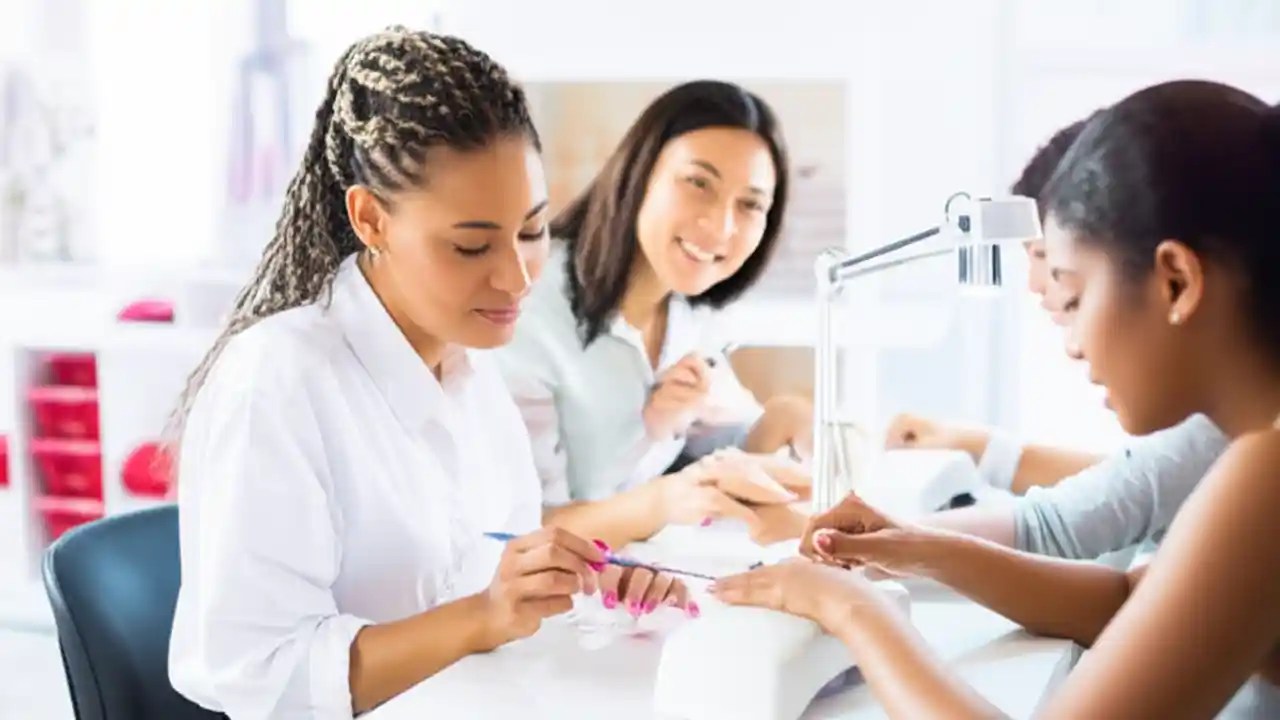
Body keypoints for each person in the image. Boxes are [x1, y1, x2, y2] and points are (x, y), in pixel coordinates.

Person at [166, 28, 691, 719]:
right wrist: (484, 615)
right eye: (471, 245)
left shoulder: (473, 375)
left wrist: (584, 592)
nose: (516, 276)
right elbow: (261, 674)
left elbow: (493, 588)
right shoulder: (278, 380)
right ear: (370, 218)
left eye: (531, 232)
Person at [714, 80, 1280, 718]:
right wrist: (915, 546)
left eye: (1072, 295)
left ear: (1176, 280)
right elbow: (1130, 601)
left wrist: (855, 612)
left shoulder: (1266, 477)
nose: (1070, 343)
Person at [885, 113, 1228, 560]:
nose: (1035, 282)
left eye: (1048, 257)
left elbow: (1085, 524)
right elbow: (1141, 486)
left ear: (1174, 278)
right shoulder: (1225, 433)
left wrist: (861, 578)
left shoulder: (1246, 442)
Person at [495, 81, 812, 548]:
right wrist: (667, 493)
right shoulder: (530, 306)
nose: (721, 226)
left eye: (750, 205)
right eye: (699, 183)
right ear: (640, 173)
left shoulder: (688, 314)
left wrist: (786, 418)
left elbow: (721, 453)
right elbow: (523, 528)